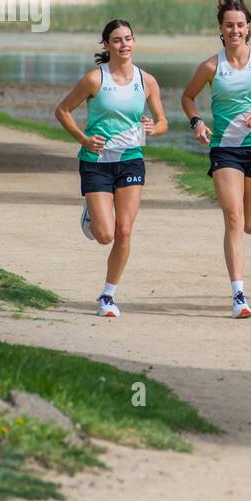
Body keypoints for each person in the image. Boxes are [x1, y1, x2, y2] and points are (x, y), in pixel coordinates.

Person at [180, 0, 251, 318]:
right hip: (225, 148)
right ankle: (238, 293)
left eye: (240, 25)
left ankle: (239, 284)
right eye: (229, 25)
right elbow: (188, 97)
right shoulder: (211, 66)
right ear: (221, 28)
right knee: (233, 218)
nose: (235, 30)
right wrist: (197, 121)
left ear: (248, 27)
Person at [55, 19, 169, 317]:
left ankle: (108, 295)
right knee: (104, 235)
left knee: (124, 231)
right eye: (117, 40)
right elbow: (63, 110)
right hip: (96, 163)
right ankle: (91, 212)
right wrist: (83, 138)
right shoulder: (95, 79)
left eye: (129, 38)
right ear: (106, 45)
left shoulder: (147, 81)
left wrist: (153, 128)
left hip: (131, 159)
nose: (124, 44)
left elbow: (162, 122)